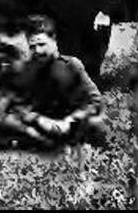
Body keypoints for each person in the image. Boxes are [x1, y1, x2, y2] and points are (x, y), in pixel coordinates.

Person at [9, 15, 107, 147]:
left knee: (97, 125)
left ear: (53, 40)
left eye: (42, 44)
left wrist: (71, 120)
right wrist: (37, 118)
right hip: (42, 127)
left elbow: (95, 100)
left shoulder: (72, 64)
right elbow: (17, 103)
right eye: (32, 47)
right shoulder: (28, 70)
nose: (38, 51)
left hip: (72, 126)